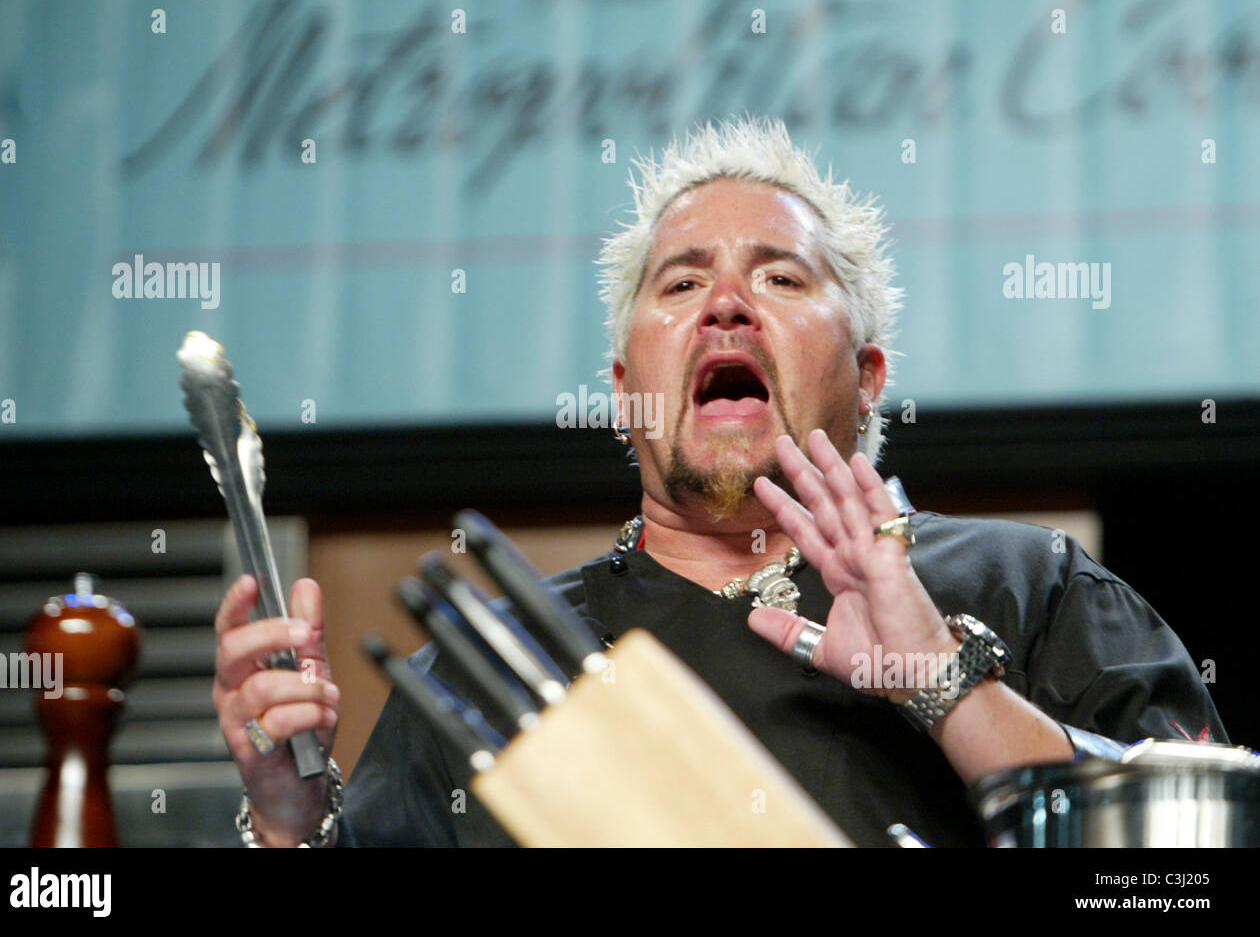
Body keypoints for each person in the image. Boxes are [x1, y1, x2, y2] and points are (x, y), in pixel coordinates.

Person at [211, 116, 1227, 848]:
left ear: (866, 376)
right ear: (623, 390)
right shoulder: (490, 668)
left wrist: (942, 682)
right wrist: (288, 822)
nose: (727, 304)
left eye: (782, 277)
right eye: (683, 281)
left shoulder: (1030, 583)